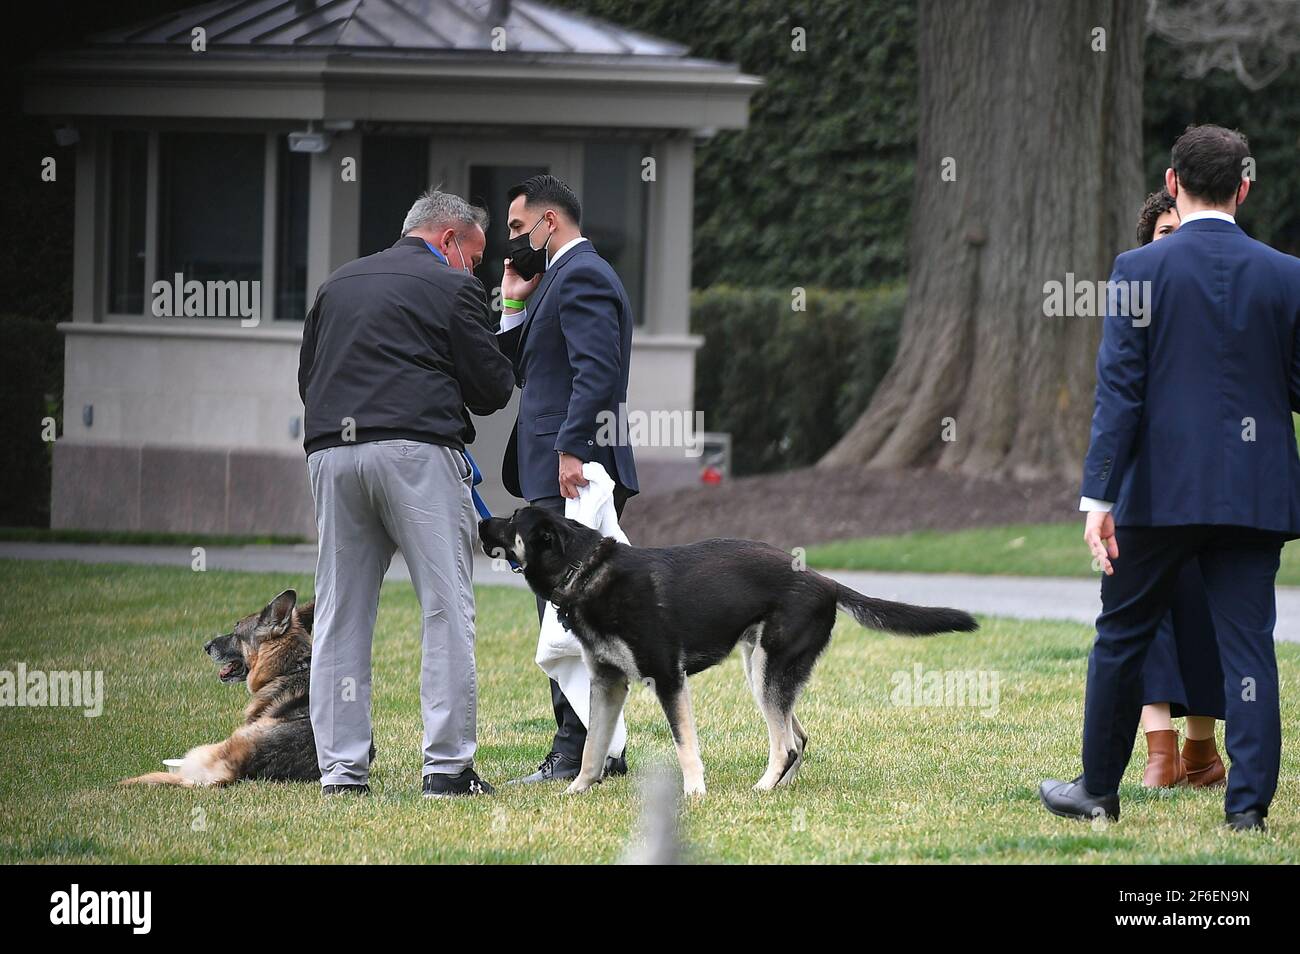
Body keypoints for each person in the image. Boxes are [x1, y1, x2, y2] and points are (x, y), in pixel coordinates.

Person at [1039, 124, 1300, 832]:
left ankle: (1097, 790)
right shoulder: (1288, 275)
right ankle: (1247, 811)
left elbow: (1119, 393)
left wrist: (1098, 496)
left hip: (1159, 492)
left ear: (1173, 183)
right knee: (1250, 647)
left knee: (1121, 636)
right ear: (1244, 186)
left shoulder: (1136, 269)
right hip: (1255, 493)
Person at [298, 190, 515, 798]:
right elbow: (493, 388)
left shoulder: (337, 284)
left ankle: (341, 774)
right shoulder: (453, 288)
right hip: (417, 453)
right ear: (449, 240)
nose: (474, 269)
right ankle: (446, 770)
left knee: (339, 613)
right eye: (472, 255)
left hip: (332, 455)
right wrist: (513, 322)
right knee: (446, 608)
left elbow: (306, 378)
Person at [494, 173, 639, 784]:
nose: (513, 241)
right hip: (557, 466)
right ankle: (600, 750)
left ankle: (576, 752)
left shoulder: (581, 274)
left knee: (571, 614)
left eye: (518, 228)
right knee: (573, 611)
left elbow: (596, 368)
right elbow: (518, 368)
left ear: (550, 223)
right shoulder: (556, 277)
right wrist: (512, 301)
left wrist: (572, 448)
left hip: (571, 471)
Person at [1131, 188, 1227, 790]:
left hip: (1214, 483)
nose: (1176, 245)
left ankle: (1201, 752)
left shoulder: (1223, 304)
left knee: (1199, 608)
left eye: (1182, 231)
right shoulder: (1133, 303)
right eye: (1164, 236)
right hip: (1147, 481)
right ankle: (1159, 754)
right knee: (1143, 610)